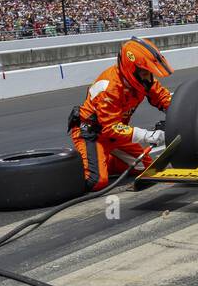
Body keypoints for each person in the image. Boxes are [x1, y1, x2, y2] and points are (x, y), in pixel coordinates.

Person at [70, 37, 172, 190]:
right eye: (145, 73)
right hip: (91, 134)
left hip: (117, 135)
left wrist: (182, 109)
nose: (149, 77)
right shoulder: (110, 87)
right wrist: (148, 136)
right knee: (96, 181)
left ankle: (102, 161)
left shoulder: (145, 80)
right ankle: (88, 164)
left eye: (149, 73)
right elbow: (109, 127)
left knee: (146, 168)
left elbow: (164, 99)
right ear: (132, 69)